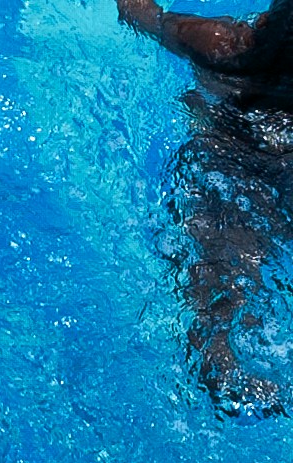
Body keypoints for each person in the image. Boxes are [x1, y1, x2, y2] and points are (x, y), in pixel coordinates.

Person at [125, 0, 293, 409]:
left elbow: (142, 15)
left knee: (220, 299)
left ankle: (225, 372)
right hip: (273, 174)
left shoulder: (220, 43)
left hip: (226, 168)